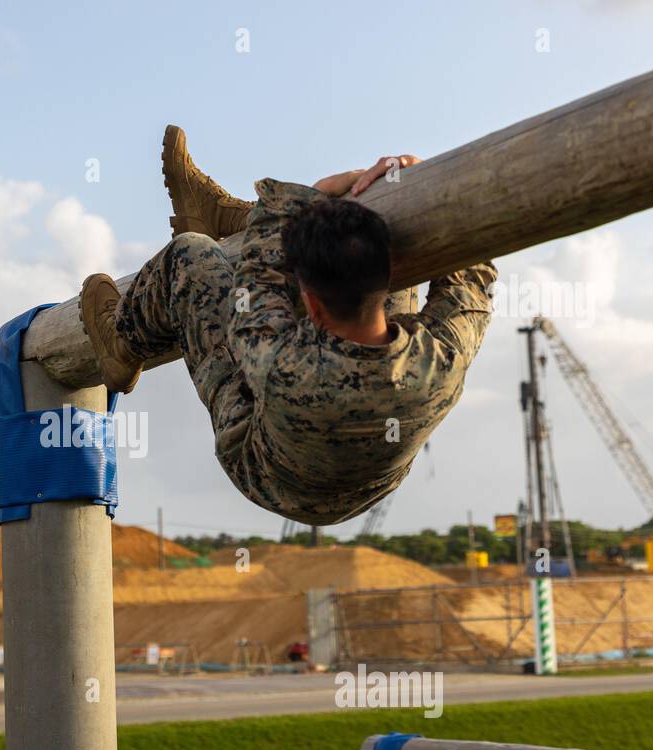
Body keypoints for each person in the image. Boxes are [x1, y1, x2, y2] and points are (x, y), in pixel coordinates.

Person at [79, 126, 496, 526]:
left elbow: (261, 272)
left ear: (308, 304)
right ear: (389, 282)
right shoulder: (442, 360)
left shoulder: (280, 357)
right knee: (365, 234)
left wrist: (326, 189)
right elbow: (473, 277)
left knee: (190, 255)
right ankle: (226, 217)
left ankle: (121, 345)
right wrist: (414, 181)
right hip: (366, 485)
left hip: (265, 469)